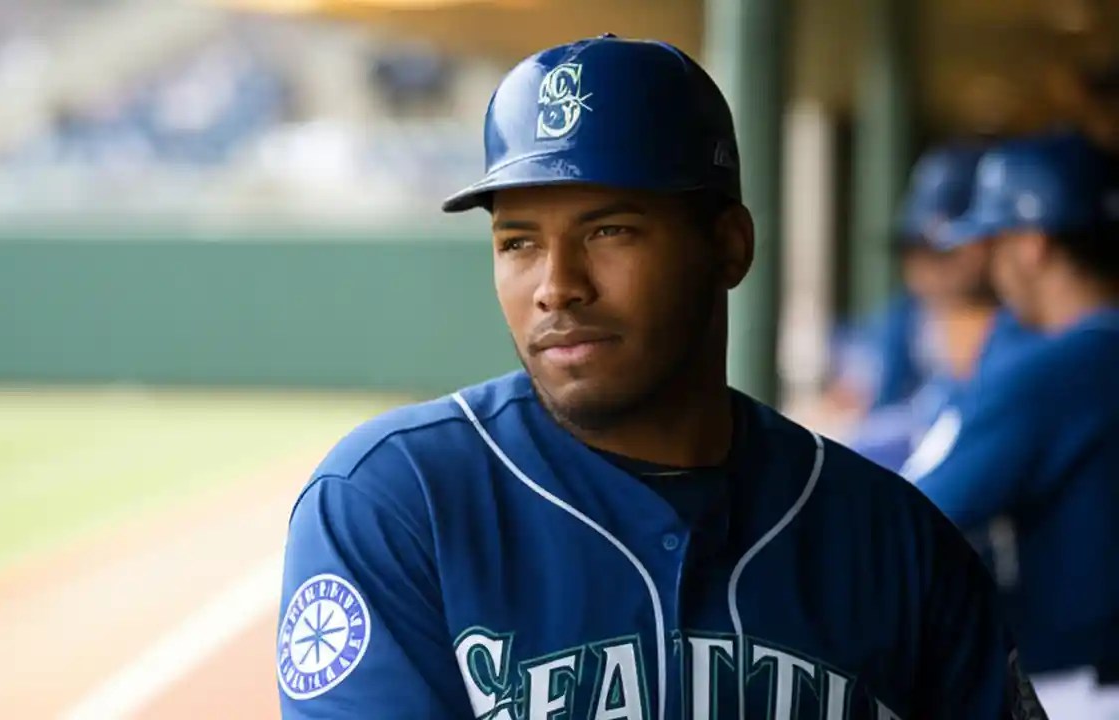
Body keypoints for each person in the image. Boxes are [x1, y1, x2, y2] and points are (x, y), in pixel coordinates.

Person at [276, 35, 1042, 719]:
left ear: (730, 246)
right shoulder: (396, 501)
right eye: (517, 243)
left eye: (610, 230)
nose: (557, 284)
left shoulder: (894, 541)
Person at [904, 131, 1119, 717]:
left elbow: (913, 513)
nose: (992, 267)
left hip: (1086, 690)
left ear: (1031, 245)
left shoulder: (1058, 370)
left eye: (996, 243)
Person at [850, 143, 1039, 472]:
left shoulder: (1026, 338)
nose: (923, 268)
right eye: (914, 249)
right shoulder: (908, 318)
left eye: (941, 251)